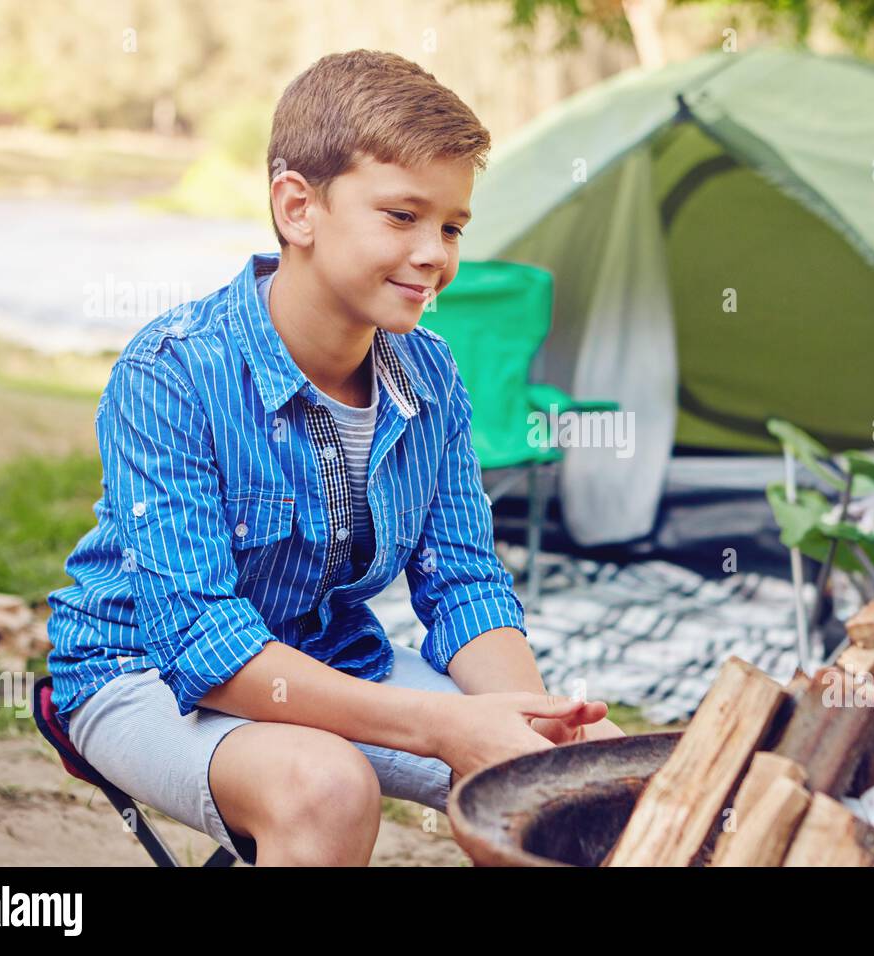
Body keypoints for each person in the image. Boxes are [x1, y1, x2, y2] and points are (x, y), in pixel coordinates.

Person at [45, 49, 624, 867]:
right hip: (143, 672)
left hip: (328, 657)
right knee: (326, 788)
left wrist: (529, 727)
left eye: (453, 226)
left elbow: (464, 582)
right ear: (298, 208)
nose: (436, 255)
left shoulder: (430, 374)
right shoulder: (172, 370)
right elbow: (202, 646)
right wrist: (447, 726)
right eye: (402, 216)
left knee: (589, 776)